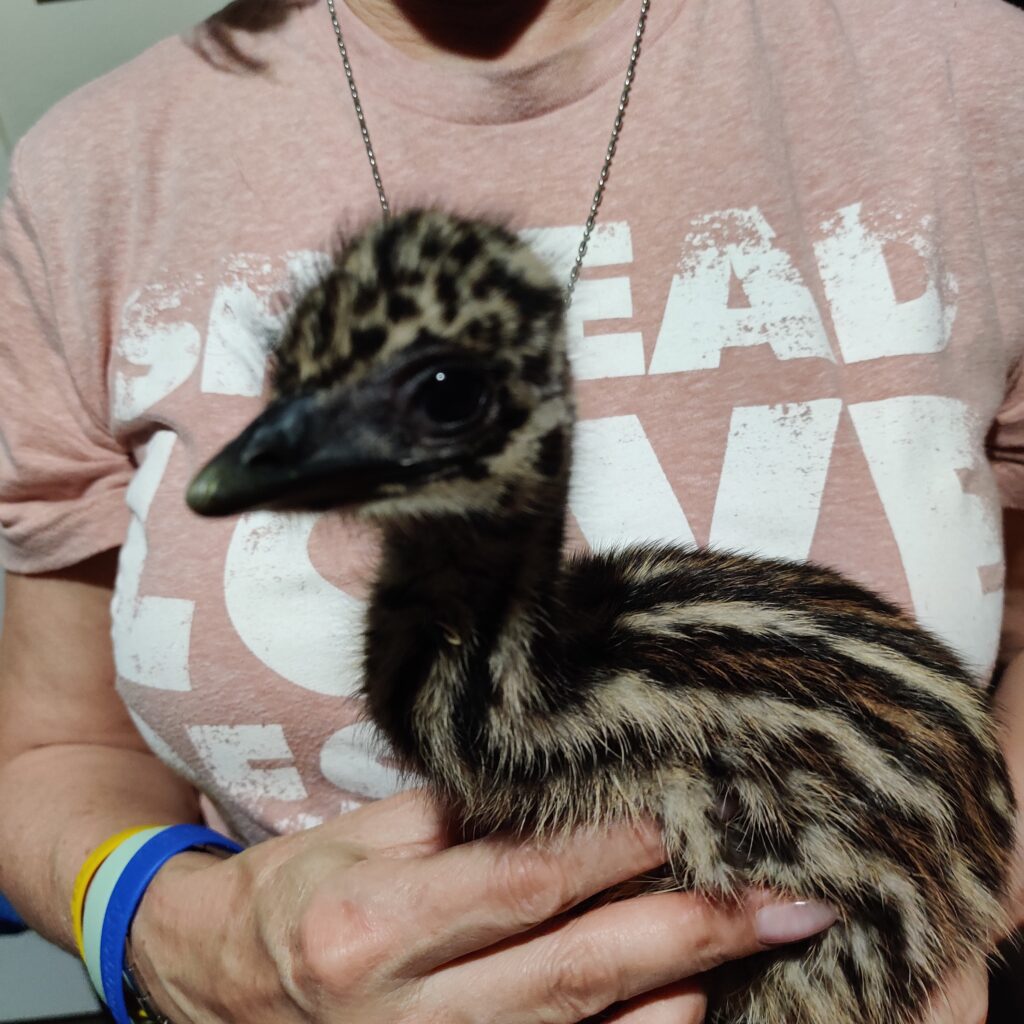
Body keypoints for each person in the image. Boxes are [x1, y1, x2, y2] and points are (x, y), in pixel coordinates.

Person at [1, 0, 1022, 1021]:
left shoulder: (969, 73)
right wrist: (172, 933)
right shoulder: (92, 172)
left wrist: (942, 923)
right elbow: (53, 743)